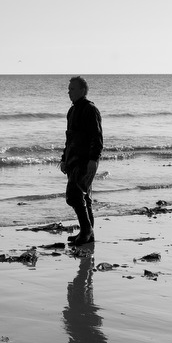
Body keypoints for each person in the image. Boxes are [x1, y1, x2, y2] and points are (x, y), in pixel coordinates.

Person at [60, 76, 103, 245]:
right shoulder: (72, 111)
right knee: (84, 198)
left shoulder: (90, 109)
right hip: (73, 160)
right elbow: (69, 138)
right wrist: (64, 159)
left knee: (73, 196)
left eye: (72, 89)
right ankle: (88, 234)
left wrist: (93, 159)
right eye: (68, 89)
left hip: (85, 160)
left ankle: (85, 230)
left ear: (82, 90)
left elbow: (97, 137)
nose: (68, 92)